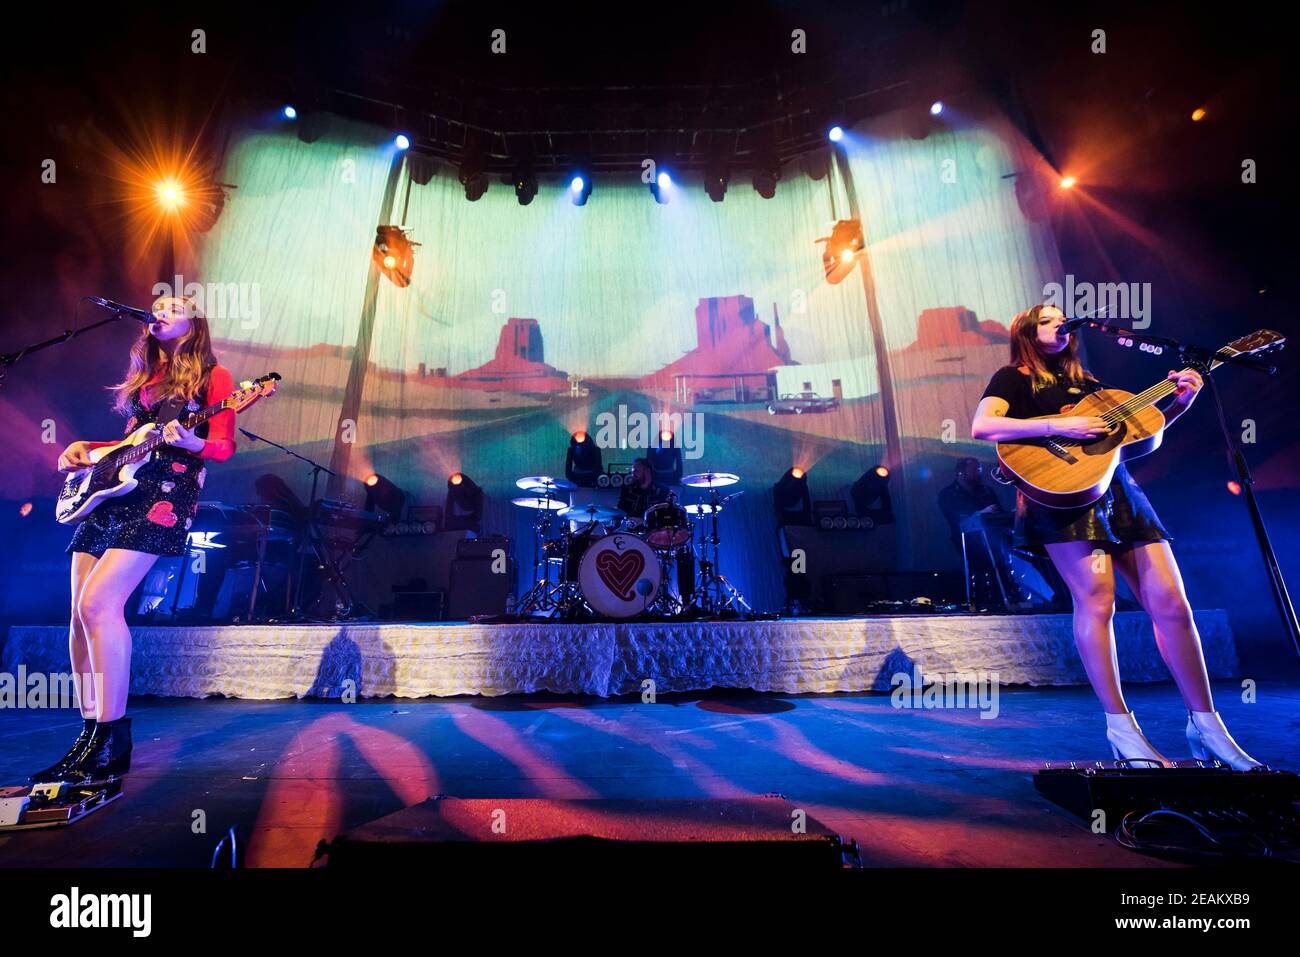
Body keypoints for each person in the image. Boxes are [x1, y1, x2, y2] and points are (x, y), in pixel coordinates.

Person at [970, 303, 1260, 769]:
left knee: (1171, 602)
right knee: (1098, 600)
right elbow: (982, 426)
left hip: (1120, 493)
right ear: (1026, 331)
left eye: (1062, 317)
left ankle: (1207, 726)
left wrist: (1181, 402)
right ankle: (1121, 729)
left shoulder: (1092, 386)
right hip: (1060, 496)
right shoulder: (1012, 377)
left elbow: (1135, 436)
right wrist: (1058, 424)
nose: (1059, 324)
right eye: (1046, 319)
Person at [32, 295, 237, 785]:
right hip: (116, 488)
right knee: (80, 612)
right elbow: (133, 440)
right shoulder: (146, 379)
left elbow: (224, 445)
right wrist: (88, 448)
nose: (161, 311)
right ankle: (87, 736)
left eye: (175, 306)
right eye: (157, 305)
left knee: (101, 603)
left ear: (195, 322)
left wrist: (194, 442)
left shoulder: (216, 376)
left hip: (166, 491)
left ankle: (111, 737)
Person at [937, 457, 1002, 551]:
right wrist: (983, 512)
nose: (978, 473)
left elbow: (1000, 513)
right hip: (967, 544)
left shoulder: (986, 490)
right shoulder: (948, 494)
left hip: (995, 541)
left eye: (979, 470)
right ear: (960, 471)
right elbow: (958, 520)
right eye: (974, 470)